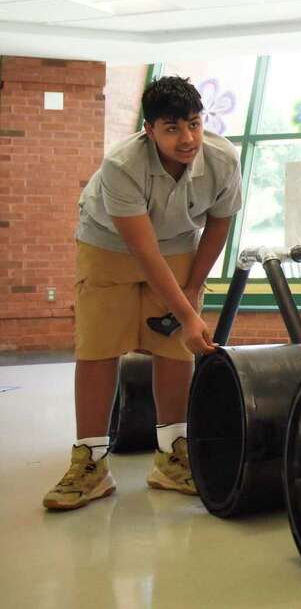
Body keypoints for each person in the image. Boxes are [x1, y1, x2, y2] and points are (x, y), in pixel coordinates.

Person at [43, 75, 241, 511]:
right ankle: (91, 464)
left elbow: (220, 222)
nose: (187, 138)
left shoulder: (224, 159)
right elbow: (143, 251)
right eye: (172, 128)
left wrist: (192, 289)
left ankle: (172, 457)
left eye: (193, 123)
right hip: (109, 244)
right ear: (149, 130)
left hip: (178, 245)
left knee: (174, 348)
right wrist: (189, 316)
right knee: (98, 344)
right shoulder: (122, 164)